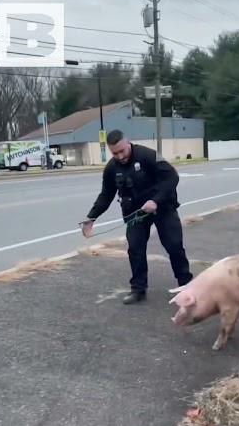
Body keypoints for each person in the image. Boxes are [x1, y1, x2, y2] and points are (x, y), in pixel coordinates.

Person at [80, 130, 193, 304]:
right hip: (135, 212)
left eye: (122, 151)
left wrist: (155, 201)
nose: (119, 156)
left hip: (162, 207)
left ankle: (186, 285)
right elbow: (106, 194)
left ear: (128, 143)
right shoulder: (112, 168)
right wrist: (91, 217)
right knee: (135, 248)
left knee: (173, 245)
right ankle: (138, 289)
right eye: (115, 153)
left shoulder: (147, 156)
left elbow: (172, 177)